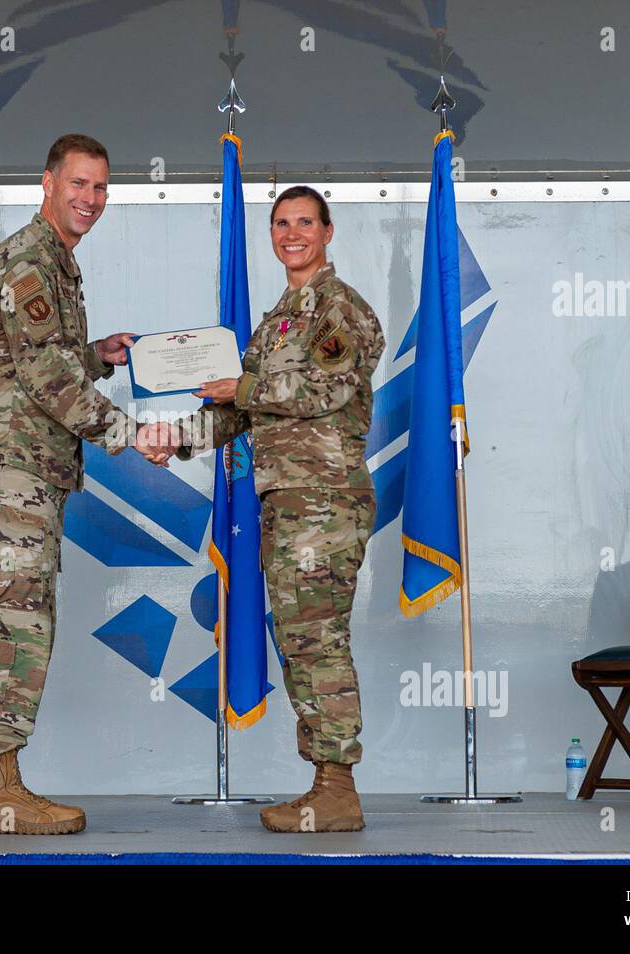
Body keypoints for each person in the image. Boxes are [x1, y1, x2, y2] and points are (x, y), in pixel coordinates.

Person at [143, 186, 384, 832]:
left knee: (317, 636)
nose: (292, 233)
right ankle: (327, 783)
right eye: (281, 223)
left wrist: (242, 386)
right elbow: (240, 411)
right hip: (287, 503)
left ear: (328, 232)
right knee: (302, 636)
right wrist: (178, 437)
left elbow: (323, 388)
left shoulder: (343, 310)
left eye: (305, 222)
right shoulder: (276, 321)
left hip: (325, 499)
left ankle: (338, 787)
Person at [0, 133, 167, 835]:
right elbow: (47, 381)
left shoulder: (57, 264)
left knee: (22, 624)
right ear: (47, 182)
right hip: (9, 475)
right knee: (10, 625)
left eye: (102, 188)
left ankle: (5, 782)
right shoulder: (28, 261)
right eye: (79, 184)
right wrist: (130, 433)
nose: (90, 200)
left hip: (28, 475)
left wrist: (96, 357)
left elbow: (38, 362)